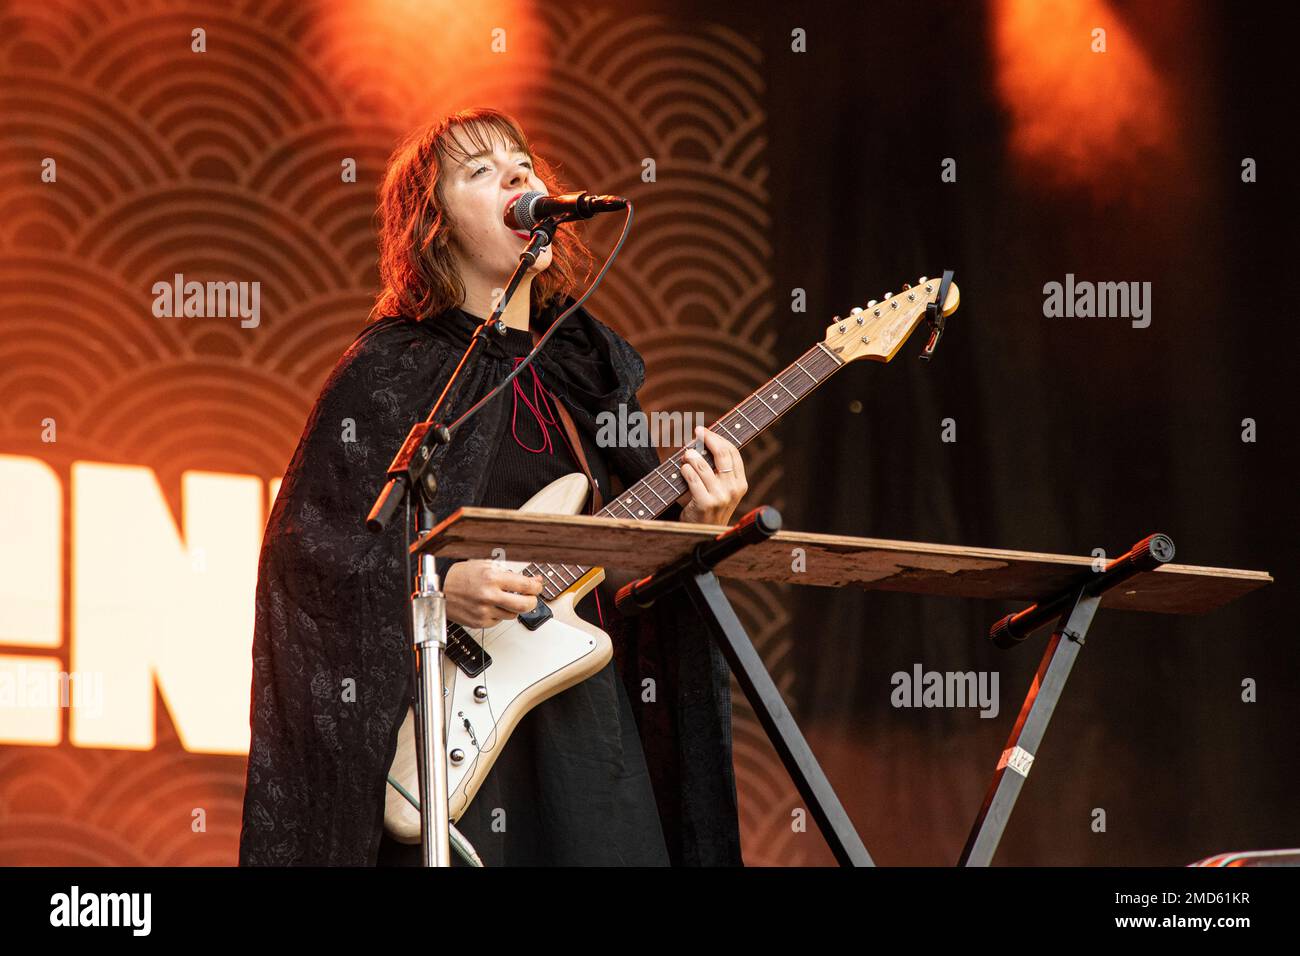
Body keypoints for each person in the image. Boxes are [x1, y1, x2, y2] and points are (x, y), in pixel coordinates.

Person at [238, 107, 747, 866]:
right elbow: (307, 561)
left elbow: (634, 584)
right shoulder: (390, 368)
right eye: (479, 171)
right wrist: (436, 583)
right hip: (459, 737)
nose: (517, 176)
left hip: (588, 730)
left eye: (522, 162)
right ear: (434, 229)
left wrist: (696, 532)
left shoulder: (585, 370)